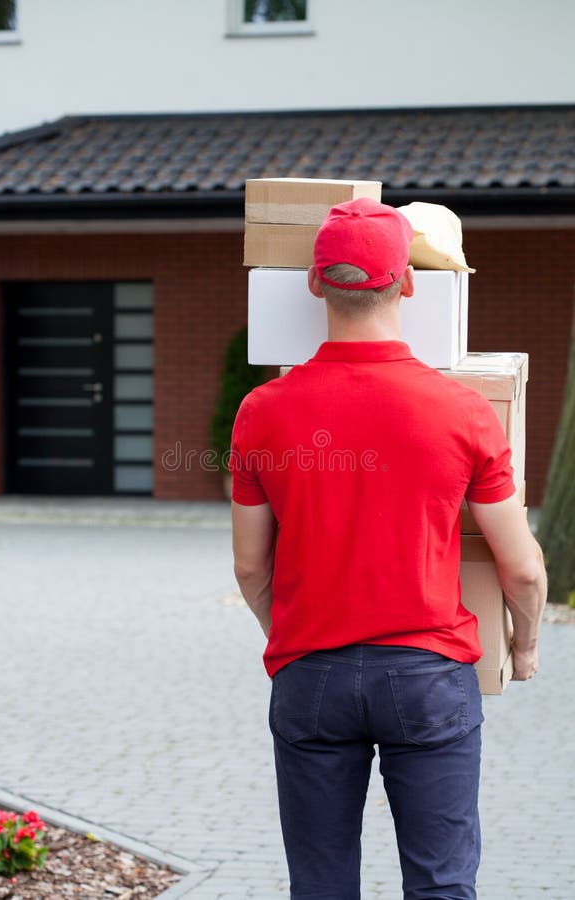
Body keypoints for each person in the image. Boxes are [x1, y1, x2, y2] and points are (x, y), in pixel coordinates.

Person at [230, 198, 547, 900]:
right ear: (407, 282)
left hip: (311, 675)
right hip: (429, 675)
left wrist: (289, 639)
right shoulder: (462, 409)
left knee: (321, 885)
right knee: (439, 885)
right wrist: (523, 651)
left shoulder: (263, 411)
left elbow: (251, 565)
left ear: (316, 285)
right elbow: (521, 568)